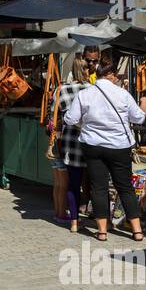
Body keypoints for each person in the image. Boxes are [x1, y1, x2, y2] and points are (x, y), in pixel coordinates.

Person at [63, 54, 146, 243]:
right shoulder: (122, 94)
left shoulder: (85, 94)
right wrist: (145, 103)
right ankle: (137, 231)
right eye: (116, 75)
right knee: (125, 187)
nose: (117, 78)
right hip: (119, 146)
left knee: (98, 187)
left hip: (93, 146)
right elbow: (139, 118)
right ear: (109, 75)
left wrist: (85, 123)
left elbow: (69, 119)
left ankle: (102, 231)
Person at [54, 55, 92, 234]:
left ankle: (74, 222)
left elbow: (58, 115)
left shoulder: (61, 89)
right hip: (91, 138)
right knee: (95, 182)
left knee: (73, 182)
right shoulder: (91, 89)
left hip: (70, 140)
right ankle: (103, 222)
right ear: (86, 70)